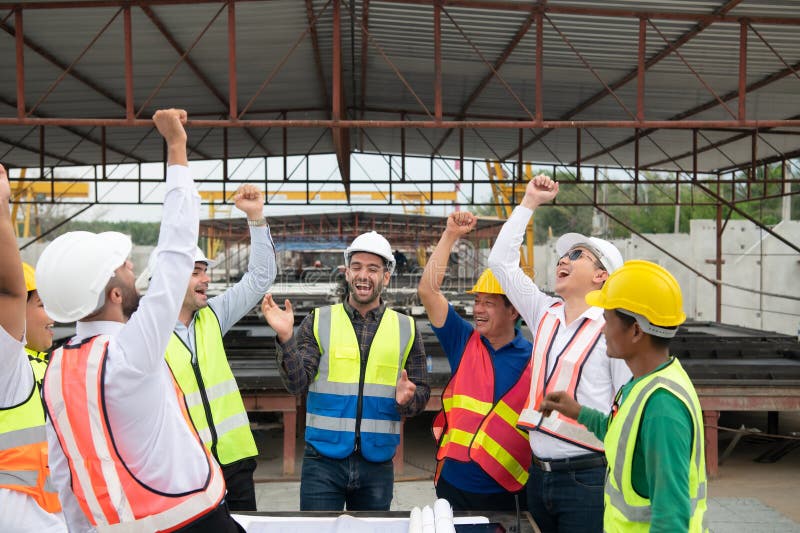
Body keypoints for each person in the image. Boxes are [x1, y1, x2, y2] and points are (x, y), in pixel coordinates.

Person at [36, 109, 243, 532]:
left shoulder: (56, 370)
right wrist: (176, 147)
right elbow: (175, 251)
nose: (134, 267)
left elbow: (66, 472)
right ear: (115, 295)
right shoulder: (130, 353)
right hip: (192, 519)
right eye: (126, 267)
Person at [488, 173, 631, 533]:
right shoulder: (545, 312)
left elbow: (625, 413)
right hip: (538, 475)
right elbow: (501, 263)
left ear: (601, 276)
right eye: (563, 254)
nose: (562, 260)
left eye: (577, 255)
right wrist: (529, 203)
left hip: (587, 479)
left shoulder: (613, 330)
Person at [261, 230, 430, 511]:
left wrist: (409, 400)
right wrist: (286, 339)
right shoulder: (319, 320)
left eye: (373, 269)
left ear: (386, 277)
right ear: (347, 273)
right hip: (322, 462)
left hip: (377, 464)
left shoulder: (406, 328)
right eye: (357, 267)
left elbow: (421, 393)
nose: (364, 275)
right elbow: (296, 384)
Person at [538, 260, 707, 532]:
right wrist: (578, 412)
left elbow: (671, 520)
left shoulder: (663, 407)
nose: (602, 330)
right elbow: (620, 435)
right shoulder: (642, 384)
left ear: (636, 331)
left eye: (607, 320)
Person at [152, 184, 276, 511]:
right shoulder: (147, 335)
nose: (205, 279)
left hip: (235, 460)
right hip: (187, 470)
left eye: (205, 271)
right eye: (196, 272)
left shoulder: (213, 317)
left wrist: (256, 218)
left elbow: (260, 278)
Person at [418, 211, 532, 511]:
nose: (478, 309)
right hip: (453, 486)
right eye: (476, 301)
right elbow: (428, 292)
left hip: (507, 492)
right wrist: (450, 235)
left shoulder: (536, 358)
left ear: (514, 311)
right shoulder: (464, 341)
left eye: (488, 303)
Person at [0, 166, 66, 532]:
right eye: (41, 304)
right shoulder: (8, 366)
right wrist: (2, 204)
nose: (52, 316)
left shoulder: (40, 366)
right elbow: (9, 288)